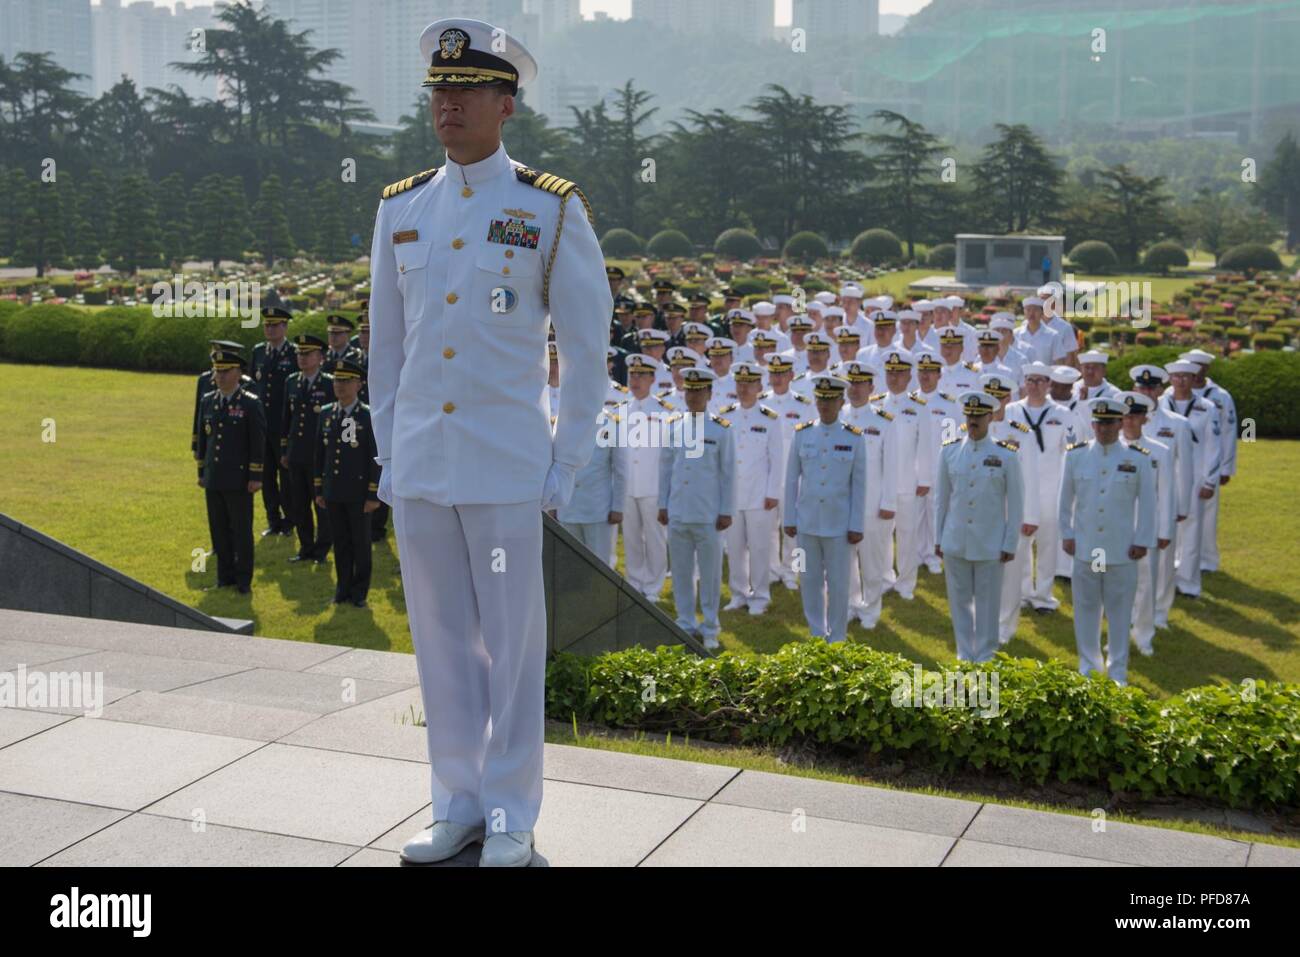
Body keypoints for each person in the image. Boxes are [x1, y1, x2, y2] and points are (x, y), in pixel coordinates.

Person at [368, 17, 610, 868]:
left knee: (511, 644)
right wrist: (389, 453)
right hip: (424, 464)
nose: (449, 105)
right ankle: (456, 803)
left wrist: (566, 458)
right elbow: (387, 347)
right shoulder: (402, 207)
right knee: (438, 640)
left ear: (506, 104)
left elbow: (587, 348)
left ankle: (511, 811)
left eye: (467, 91)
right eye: (440, 90)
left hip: (508, 463)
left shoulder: (549, 205)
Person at [1058, 397, 1156, 685]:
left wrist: (1143, 539)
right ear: (1093, 424)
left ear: (1120, 423)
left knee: (1119, 611)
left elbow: (1149, 504)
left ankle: (1117, 671)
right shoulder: (1076, 456)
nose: (1104, 428)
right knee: (1086, 609)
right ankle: (1088, 666)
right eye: (1099, 422)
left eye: (1110, 422)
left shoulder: (1137, 458)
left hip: (1120, 549)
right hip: (1088, 548)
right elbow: (1065, 500)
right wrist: (1067, 533)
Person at [934, 391, 1023, 663]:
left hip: (989, 542)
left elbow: (1017, 503)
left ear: (990, 416)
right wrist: (939, 539)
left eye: (979, 415)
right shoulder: (949, 451)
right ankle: (964, 652)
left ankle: (985, 654)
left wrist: (1010, 543)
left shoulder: (1006, 455)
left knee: (987, 603)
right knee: (959, 602)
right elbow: (942, 500)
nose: (974, 419)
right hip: (956, 540)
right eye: (970, 414)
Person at [783, 374, 865, 644]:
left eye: (830, 400)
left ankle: (838, 636)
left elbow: (859, 484)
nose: (825, 405)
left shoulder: (854, 437)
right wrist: (790, 517)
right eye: (821, 399)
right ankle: (817, 633)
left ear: (841, 401)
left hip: (839, 524)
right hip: (807, 522)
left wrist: (856, 524)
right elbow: (791, 478)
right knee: (809, 580)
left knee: (840, 584)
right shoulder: (803, 433)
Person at [658, 367, 734, 647]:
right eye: (689, 390)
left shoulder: (721, 430)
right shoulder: (674, 425)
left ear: (710, 394)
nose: (693, 396)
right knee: (680, 571)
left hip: (708, 514)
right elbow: (665, 468)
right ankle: (685, 622)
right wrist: (662, 503)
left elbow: (728, 474)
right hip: (678, 510)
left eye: (699, 391)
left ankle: (711, 626)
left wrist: (727, 510)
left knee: (710, 574)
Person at [195, 346, 266, 595]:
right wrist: (202, 472)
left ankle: (243, 580)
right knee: (219, 529)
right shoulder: (209, 401)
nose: (221, 376)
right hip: (215, 477)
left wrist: (256, 476)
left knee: (241, 530)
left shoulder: (249, 403)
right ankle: (224, 577)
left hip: (238, 479)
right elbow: (205, 441)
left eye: (226, 371)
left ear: (238, 373)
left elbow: (257, 443)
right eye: (218, 371)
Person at [715, 361, 784, 616]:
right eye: (740, 383)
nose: (744, 388)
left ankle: (760, 595)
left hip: (759, 495)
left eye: (749, 383)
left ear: (759, 386)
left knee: (759, 547)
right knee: (734, 548)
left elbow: (776, 458)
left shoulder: (770, 418)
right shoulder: (725, 416)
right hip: (733, 496)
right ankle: (738, 593)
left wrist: (772, 492)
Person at [313, 357, 381, 608]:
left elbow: (375, 458)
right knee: (340, 543)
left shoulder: (367, 416)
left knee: (360, 544)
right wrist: (319, 488)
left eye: (346, 381)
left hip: (359, 492)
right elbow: (320, 455)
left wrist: (373, 495)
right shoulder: (327, 413)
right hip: (334, 491)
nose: (339, 385)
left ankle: (359, 592)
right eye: (336, 380)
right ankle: (342, 588)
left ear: (359, 385)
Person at [1006, 362, 1072, 614]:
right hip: (1019, 488)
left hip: (1051, 488)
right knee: (1020, 544)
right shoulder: (1011, 411)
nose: (1034, 386)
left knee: (1047, 544)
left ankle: (1043, 595)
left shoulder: (1063, 414)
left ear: (1049, 384)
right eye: (1030, 381)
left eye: (1040, 381)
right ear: (1025, 383)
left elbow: (1072, 451)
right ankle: (1022, 593)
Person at [839, 360, 897, 630]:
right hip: (841, 503)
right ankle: (850, 605)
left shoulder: (883, 421)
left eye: (861, 383)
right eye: (851, 383)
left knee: (872, 561)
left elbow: (892, 465)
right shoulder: (838, 416)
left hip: (873, 504)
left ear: (872, 386)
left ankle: (871, 609)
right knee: (843, 561)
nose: (855, 388)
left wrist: (888, 503)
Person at [1118, 391, 1175, 657]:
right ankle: (1116, 635)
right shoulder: (1105, 449)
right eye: (1125, 416)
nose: (1130, 421)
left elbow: (1166, 493)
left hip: (1146, 528)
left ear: (1145, 418)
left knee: (1146, 583)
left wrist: (1164, 531)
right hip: (1114, 528)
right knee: (1113, 584)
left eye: (1135, 416)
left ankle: (1143, 635)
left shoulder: (1160, 451)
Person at [1158, 360, 1220, 599]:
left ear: (1194, 378)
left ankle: (1188, 583)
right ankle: (1165, 578)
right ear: (1170, 378)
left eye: (1186, 376)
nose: (1181, 381)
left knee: (1191, 529)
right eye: (1176, 376)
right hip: (1165, 474)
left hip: (1194, 475)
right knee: (1164, 527)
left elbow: (1213, 446)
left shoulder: (1207, 407)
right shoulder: (1161, 403)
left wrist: (1209, 481)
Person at [620, 353, 675, 601]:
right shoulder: (619, 410)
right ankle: (635, 581)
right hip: (627, 486)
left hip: (653, 485)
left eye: (642, 375)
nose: (636, 380)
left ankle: (653, 586)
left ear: (653, 378)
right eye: (632, 374)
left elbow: (669, 454)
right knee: (631, 538)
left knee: (655, 539)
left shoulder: (666, 411)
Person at [1181, 349, 1236, 575]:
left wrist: (1226, 467)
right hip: (1181, 464)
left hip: (1208, 464)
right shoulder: (1171, 394)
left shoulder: (1220, 396)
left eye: (1200, 367)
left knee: (1207, 515)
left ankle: (1206, 560)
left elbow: (1229, 432)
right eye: (1192, 366)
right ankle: (1181, 558)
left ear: (1206, 369)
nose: (1195, 372)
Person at [282, 334, 334, 564]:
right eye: (299, 354)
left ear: (320, 357)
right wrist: (285, 450)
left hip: (319, 455)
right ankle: (305, 547)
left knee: (321, 503)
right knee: (299, 504)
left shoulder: (330, 383)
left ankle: (321, 549)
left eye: (307, 354)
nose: (302, 358)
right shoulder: (292, 381)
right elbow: (286, 419)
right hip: (296, 454)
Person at [249, 308, 297, 536]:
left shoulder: (293, 353)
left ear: (285, 327)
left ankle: (289, 520)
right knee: (266, 476)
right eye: (267, 325)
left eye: (275, 325)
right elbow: (251, 387)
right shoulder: (258, 352)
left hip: (282, 426)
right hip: (261, 427)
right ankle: (273, 520)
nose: (270, 329)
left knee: (286, 477)